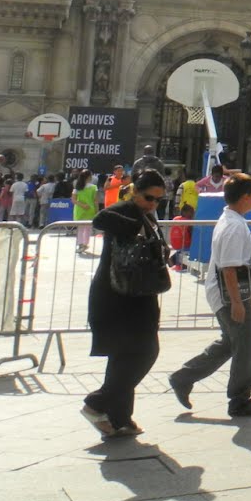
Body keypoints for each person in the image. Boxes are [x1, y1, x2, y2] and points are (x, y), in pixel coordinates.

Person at [168, 173, 251, 419]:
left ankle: (183, 377)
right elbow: (229, 268)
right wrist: (236, 302)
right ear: (245, 197)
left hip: (226, 291)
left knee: (229, 343)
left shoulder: (231, 220)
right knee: (245, 346)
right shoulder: (234, 226)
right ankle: (239, 398)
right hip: (231, 293)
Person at [81, 171, 170, 438]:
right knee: (144, 352)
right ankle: (96, 404)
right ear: (134, 191)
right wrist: (135, 226)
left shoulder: (146, 214)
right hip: (117, 295)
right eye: (149, 197)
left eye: (158, 200)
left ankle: (120, 418)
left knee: (125, 356)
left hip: (136, 294)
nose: (153, 203)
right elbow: (100, 218)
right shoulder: (126, 209)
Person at [73, 169, 100, 255]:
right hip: (90, 209)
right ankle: (85, 244)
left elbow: (73, 200)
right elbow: (96, 200)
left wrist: (81, 204)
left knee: (80, 228)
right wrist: (97, 210)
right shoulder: (94, 187)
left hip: (79, 210)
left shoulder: (77, 187)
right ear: (89, 177)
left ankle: (80, 244)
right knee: (88, 229)